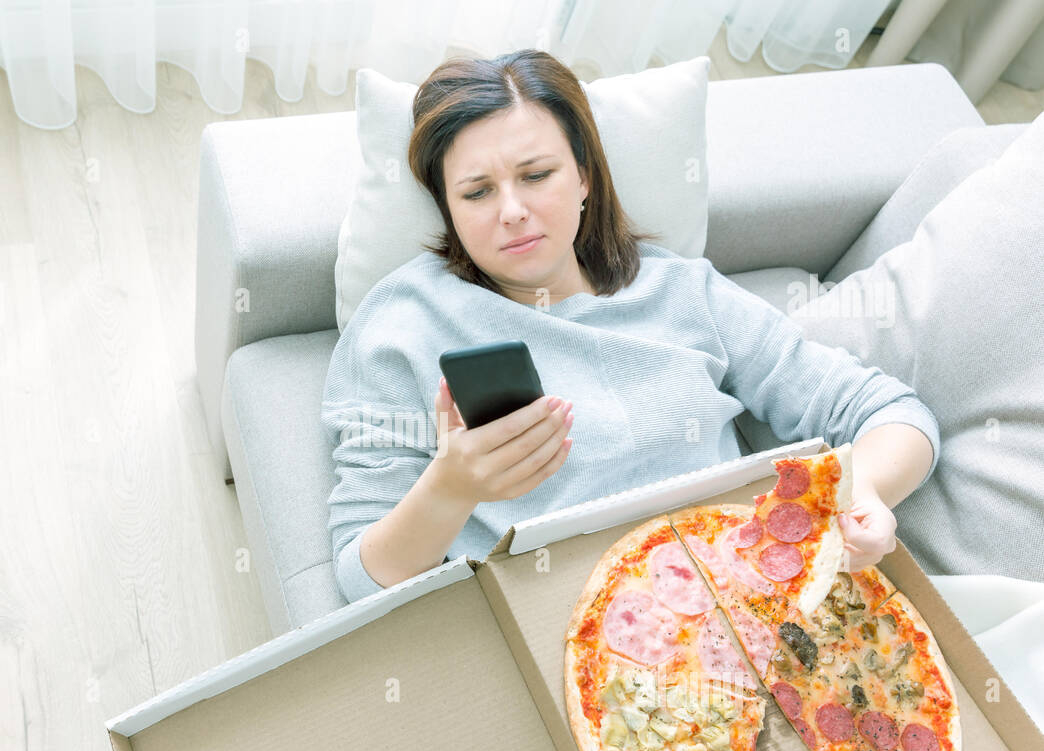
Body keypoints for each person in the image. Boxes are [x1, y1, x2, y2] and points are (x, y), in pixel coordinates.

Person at [321, 49, 939, 605]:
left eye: (537, 176)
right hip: (557, 630)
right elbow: (361, 581)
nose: (513, 211)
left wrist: (867, 498)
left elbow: (892, 412)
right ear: (447, 209)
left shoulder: (682, 293)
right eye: (477, 193)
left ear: (585, 177)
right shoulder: (401, 327)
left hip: (741, 601)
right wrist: (451, 488)